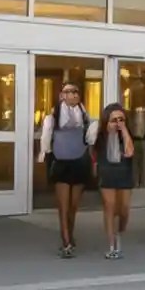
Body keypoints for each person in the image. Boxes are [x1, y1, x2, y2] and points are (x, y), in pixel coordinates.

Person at [38, 83, 98, 258]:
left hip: (79, 161)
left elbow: (89, 138)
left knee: (73, 206)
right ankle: (66, 241)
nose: (73, 94)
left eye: (75, 91)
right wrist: (45, 158)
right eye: (68, 92)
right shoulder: (53, 115)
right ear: (62, 95)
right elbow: (46, 139)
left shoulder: (84, 114)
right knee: (63, 206)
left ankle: (70, 235)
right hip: (61, 162)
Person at [95, 103, 135, 259]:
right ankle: (111, 245)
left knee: (124, 210)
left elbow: (129, 152)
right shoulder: (101, 136)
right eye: (113, 120)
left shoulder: (126, 134)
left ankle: (119, 233)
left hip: (124, 174)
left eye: (121, 119)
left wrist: (123, 130)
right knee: (109, 208)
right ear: (106, 121)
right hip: (107, 174)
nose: (117, 123)